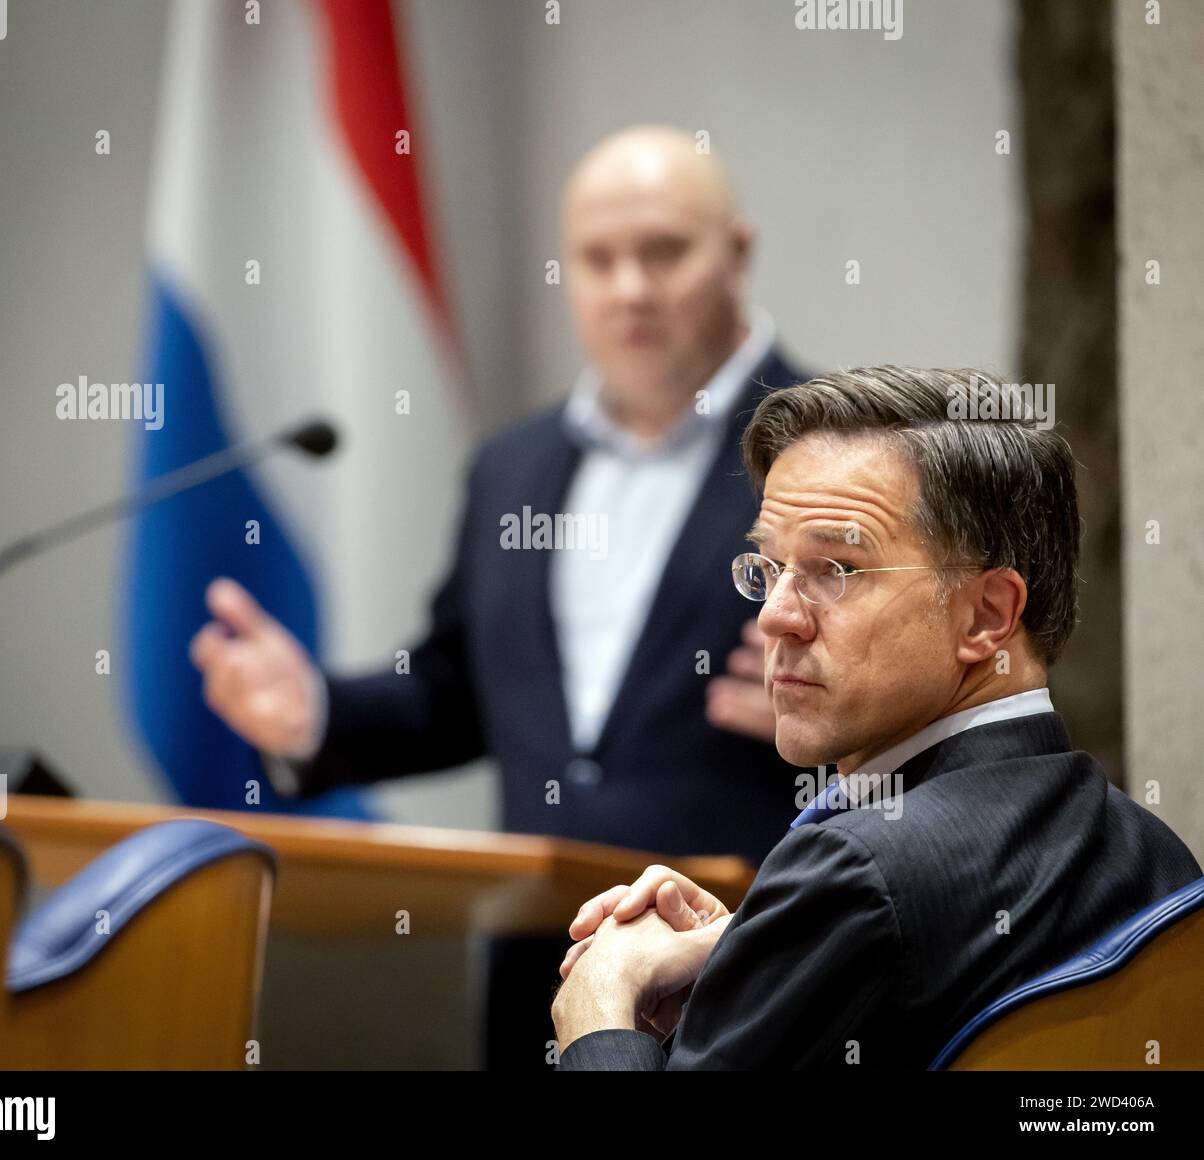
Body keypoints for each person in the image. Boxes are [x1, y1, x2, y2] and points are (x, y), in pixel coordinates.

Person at [189, 125, 807, 1067]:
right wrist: (315, 712)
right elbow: (459, 690)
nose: (630, 287)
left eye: (665, 252)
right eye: (599, 259)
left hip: (749, 964)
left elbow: (935, 697)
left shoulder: (838, 449)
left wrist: (840, 717)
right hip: (542, 972)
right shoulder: (512, 469)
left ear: (739, 252)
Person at [553, 365, 1202, 1069]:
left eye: (836, 570)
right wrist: (757, 955)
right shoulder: (1153, 850)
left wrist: (599, 1005)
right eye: (768, 569)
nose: (775, 617)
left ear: (987, 616)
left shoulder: (854, 871)